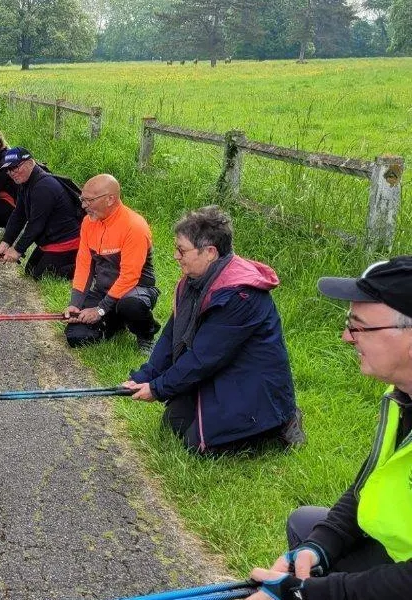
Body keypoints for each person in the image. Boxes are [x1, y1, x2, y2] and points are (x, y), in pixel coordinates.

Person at [242, 256, 412, 600]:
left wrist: (310, 593)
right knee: (307, 527)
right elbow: (367, 486)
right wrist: (320, 545)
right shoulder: (401, 396)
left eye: (359, 326)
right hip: (397, 551)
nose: (346, 337)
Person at [121, 206, 303, 454]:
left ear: (209, 252)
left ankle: (280, 422)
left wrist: (158, 388)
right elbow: (171, 336)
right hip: (221, 371)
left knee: (198, 447)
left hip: (251, 381)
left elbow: (204, 358)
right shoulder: (193, 281)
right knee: (173, 425)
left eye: (182, 250)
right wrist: (145, 376)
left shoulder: (240, 295)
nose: (175, 256)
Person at [63, 174, 161, 351]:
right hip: (104, 291)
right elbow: (84, 266)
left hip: (135, 290)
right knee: (76, 337)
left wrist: (100, 310)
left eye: (89, 200)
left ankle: (147, 333)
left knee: (130, 306)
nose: (84, 205)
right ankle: (117, 321)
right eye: (82, 199)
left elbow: (129, 276)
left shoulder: (134, 226)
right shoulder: (88, 222)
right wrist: (75, 304)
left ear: (110, 199)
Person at [0, 148, 83, 281]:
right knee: (30, 271)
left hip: (66, 241)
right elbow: (18, 215)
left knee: (40, 277)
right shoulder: (25, 182)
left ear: (29, 163)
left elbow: (35, 224)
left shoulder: (43, 187)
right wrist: (5, 243)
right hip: (49, 239)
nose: (12, 173)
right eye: (8, 170)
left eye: (15, 167)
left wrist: (17, 250)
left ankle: (88, 267)